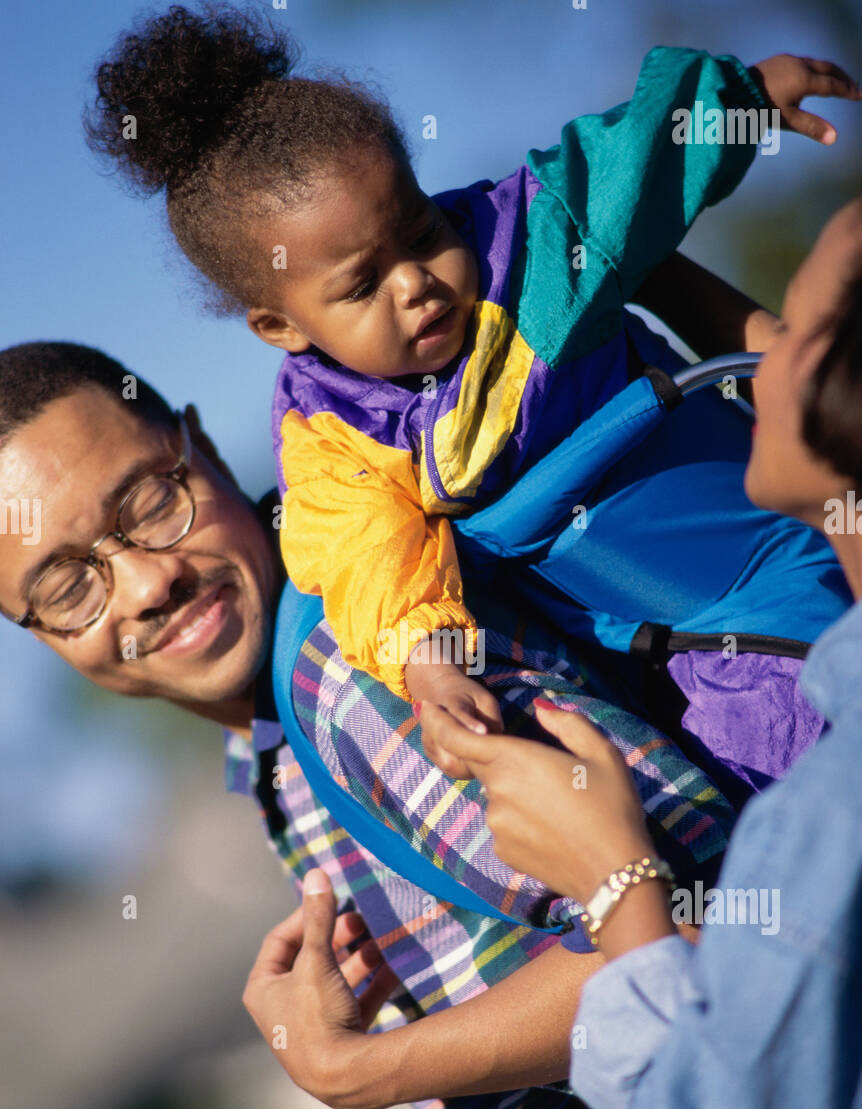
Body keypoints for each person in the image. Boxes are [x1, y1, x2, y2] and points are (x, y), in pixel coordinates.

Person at [0, 338, 758, 1109]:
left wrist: (361, 1070)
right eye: (67, 586)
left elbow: (703, 920)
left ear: (207, 450)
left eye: (151, 503)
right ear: (33, 634)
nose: (148, 584)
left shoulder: (355, 668)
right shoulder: (281, 723)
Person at [83, 4, 859, 774]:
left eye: (421, 235)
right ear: (281, 327)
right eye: (362, 286)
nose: (416, 282)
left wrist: (742, 98)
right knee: (776, 757)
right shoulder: (332, 433)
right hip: (682, 642)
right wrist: (427, 658)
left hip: (774, 518)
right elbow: (367, 554)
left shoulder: (532, 244)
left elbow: (629, 165)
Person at [424, 197, 862, 1109]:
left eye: (787, 330)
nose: (739, 350)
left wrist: (616, 885)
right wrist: (637, 257)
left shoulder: (826, 806)